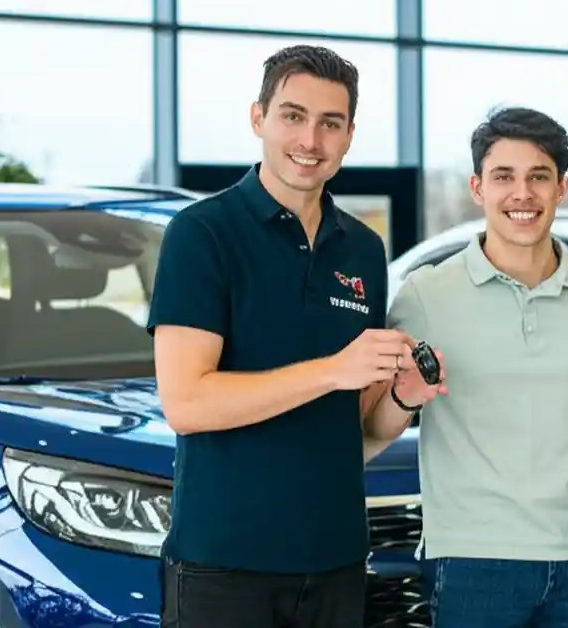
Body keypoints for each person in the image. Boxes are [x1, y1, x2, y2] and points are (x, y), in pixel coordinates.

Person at [148, 44, 443, 628]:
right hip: (225, 566)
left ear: (349, 135)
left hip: (336, 563)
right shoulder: (202, 234)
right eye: (293, 116)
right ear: (258, 118)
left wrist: (402, 398)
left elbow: (355, 432)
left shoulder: (363, 249)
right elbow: (186, 403)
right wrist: (333, 369)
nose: (311, 139)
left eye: (330, 123)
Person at [377, 106, 568, 627]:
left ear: (562, 187)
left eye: (539, 176)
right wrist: (403, 398)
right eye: (504, 176)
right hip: (471, 559)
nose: (522, 193)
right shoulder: (425, 296)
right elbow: (376, 421)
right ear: (478, 187)